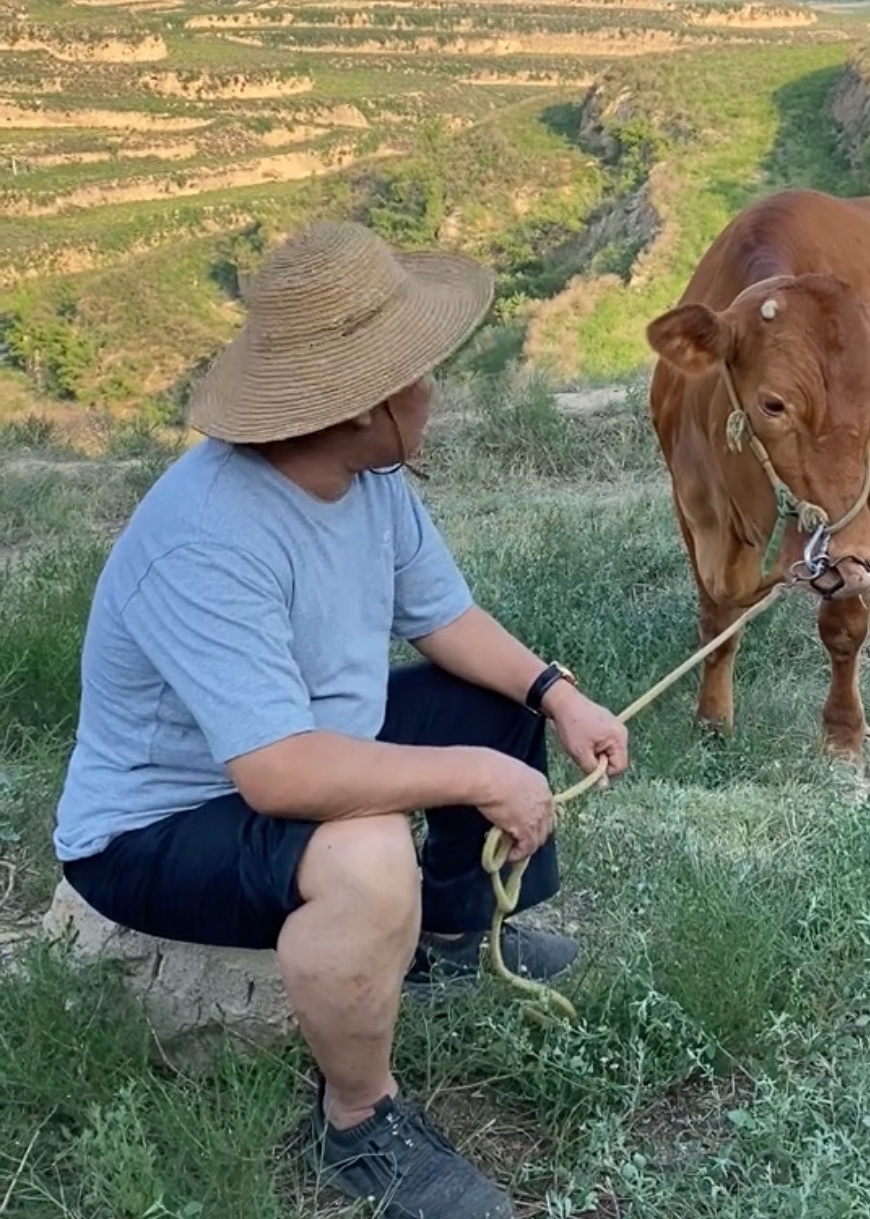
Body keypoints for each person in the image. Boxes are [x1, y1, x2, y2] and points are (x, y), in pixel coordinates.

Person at [53, 220, 630, 1219]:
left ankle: (450, 940)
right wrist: (474, 777)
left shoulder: (368, 479)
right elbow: (277, 775)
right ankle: (358, 1121)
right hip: (158, 824)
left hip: (296, 746)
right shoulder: (207, 537)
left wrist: (557, 692)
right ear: (363, 407)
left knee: (488, 699)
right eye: (416, 375)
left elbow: (444, 617)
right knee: (367, 857)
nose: (433, 391)